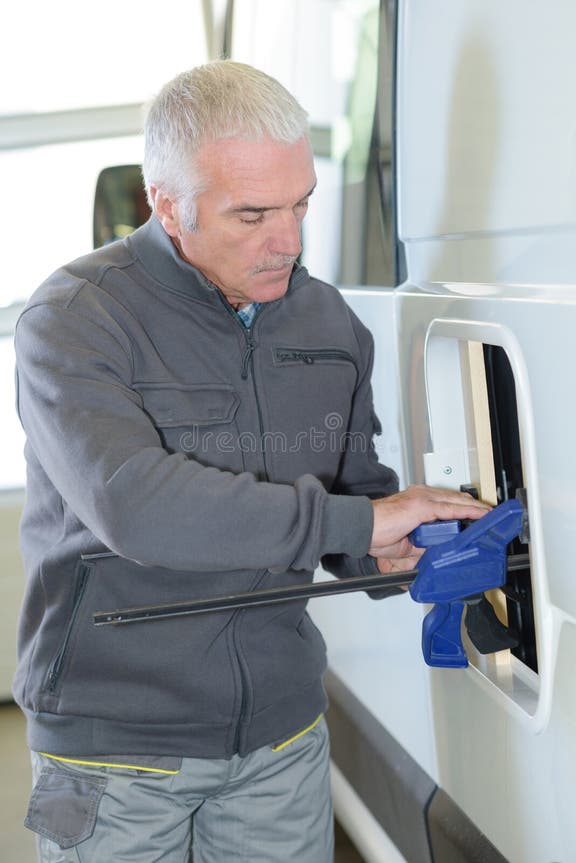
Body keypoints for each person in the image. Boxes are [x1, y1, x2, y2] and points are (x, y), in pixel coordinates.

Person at [14, 61, 490, 863]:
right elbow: (139, 506)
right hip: (112, 753)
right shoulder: (75, 318)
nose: (290, 241)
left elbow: (348, 498)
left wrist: (394, 546)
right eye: (254, 214)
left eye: (302, 202)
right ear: (167, 203)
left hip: (280, 740)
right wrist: (358, 519)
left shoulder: (328, 321)